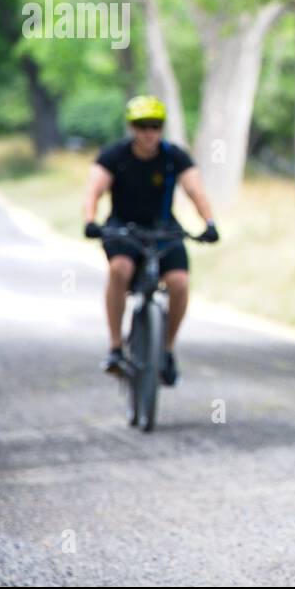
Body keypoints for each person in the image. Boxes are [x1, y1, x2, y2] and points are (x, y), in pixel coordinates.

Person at [82, 95, 219, 385]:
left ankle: (166, 350)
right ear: (132, 128)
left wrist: (208, 223)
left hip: (164, 229)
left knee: (180, 282)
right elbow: (94, 190)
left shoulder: (174, 156)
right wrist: (90, 221)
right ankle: (116, 347)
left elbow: (196, 191)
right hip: (123, 228)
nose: (149, 133)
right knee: (120, 269)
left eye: (155, 126)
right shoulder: (114, 155)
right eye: (142, 126)